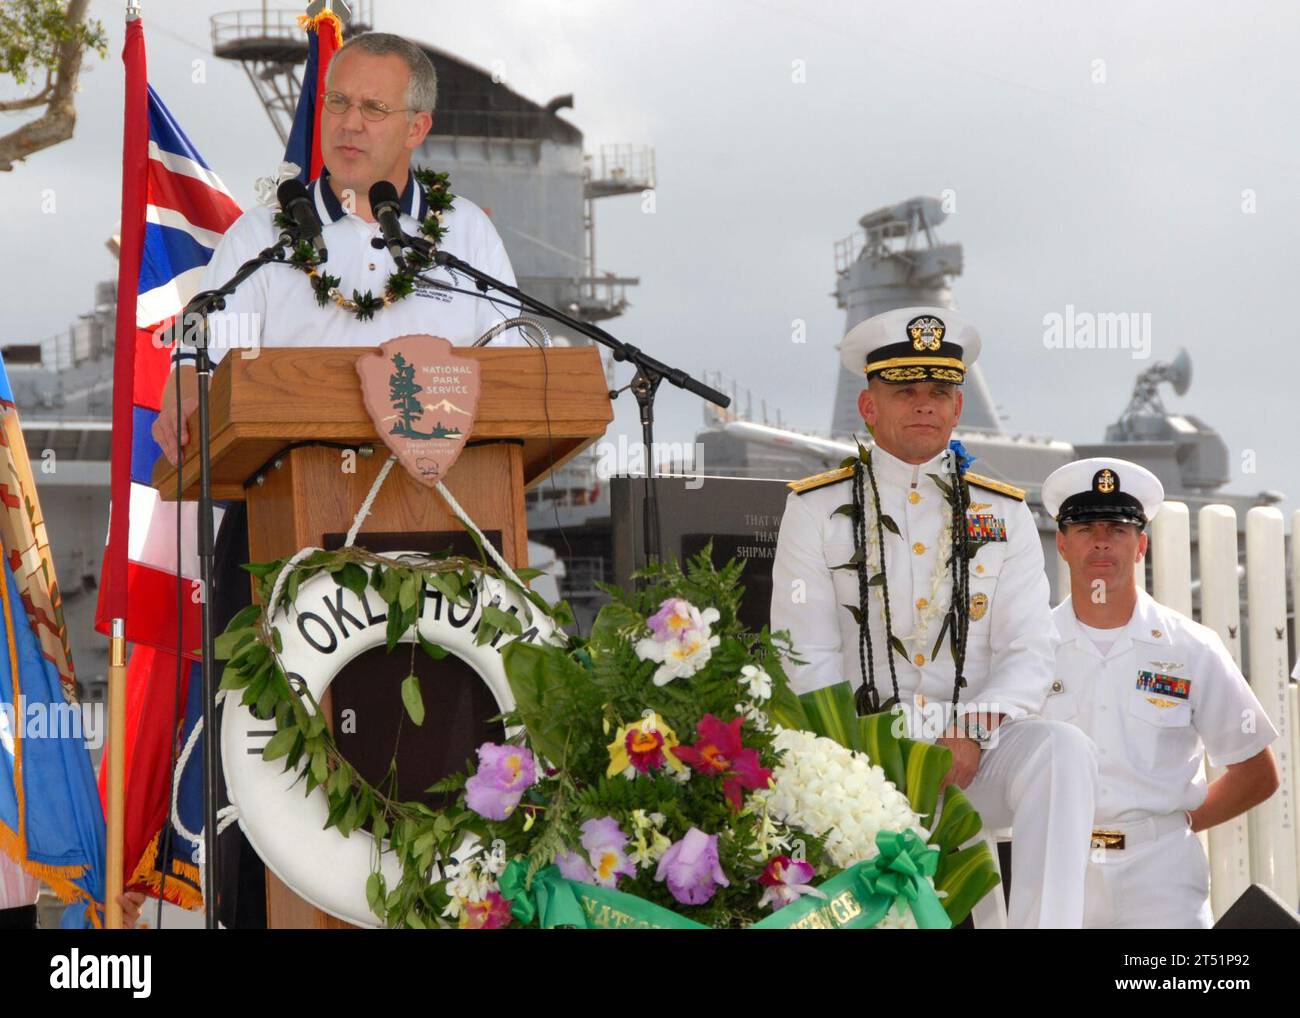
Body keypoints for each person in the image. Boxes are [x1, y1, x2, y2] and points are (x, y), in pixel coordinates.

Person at [151, 32, 522, 928]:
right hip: (285, 541)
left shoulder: (465, 234)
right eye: (338, 104)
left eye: (373, 108)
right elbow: (196, 374)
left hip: (450, 546)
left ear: (418, 126)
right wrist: (183, 385)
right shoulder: (264, 234)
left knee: (439, 766)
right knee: (289, 786)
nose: (348, 124)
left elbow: (513, 381)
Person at [770, 306, 1097, 928]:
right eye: (905, 391)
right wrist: (857, 764)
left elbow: (1030, 648)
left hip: (969, 751)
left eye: (939, 392)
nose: (924, 405)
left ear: (957, 406)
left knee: (1062, 749)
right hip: (862, 754)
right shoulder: (817, 509)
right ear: (869, 407)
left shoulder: (1007, 513)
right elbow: (803, 657)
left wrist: (970, 734)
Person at [1042, 457, 1279, 928]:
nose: (1102, 541)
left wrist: (1175, 825)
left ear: (1141, 545)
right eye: (1086, 528)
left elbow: (1257, 772)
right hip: (1056, 870)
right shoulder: (1028, 649)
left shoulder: (1192, 648)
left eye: (1118, 528)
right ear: (1063, 544)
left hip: (1161, 878)